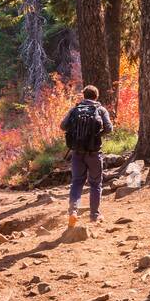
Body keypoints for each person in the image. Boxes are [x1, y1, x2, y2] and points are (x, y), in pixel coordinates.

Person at [60, 85, 113, 225]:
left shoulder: (74, 110)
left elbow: (63, 126)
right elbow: (109, 128)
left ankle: (73, 212)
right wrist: (96, 135)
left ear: (84, 95)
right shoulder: (100, 110)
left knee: (77, 182)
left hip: (77, 152)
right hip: (94, 153)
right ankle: (94, 215)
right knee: (95, 184)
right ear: (96, 96)